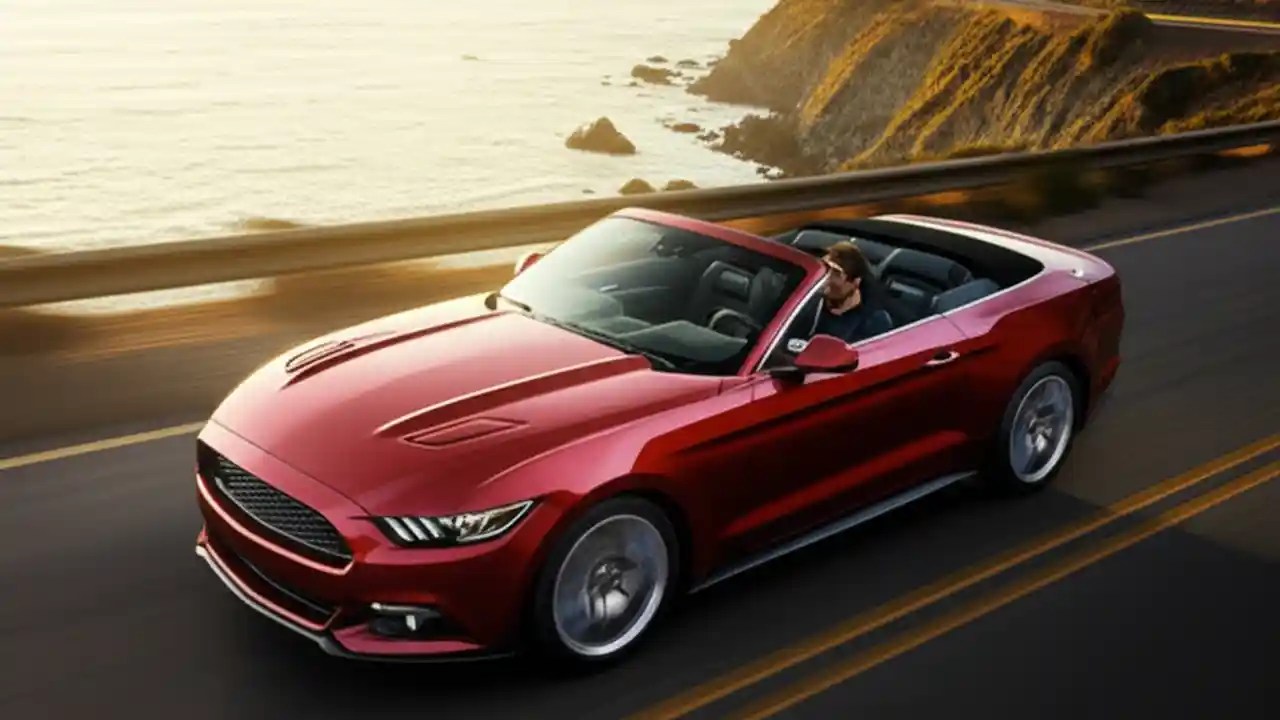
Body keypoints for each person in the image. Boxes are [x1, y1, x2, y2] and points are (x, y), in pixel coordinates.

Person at [813, 241, 893, 343]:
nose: (827, 279)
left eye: (836, 274)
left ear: (856, 282)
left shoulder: (873, 321)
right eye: (825, 270)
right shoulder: (810, 305)